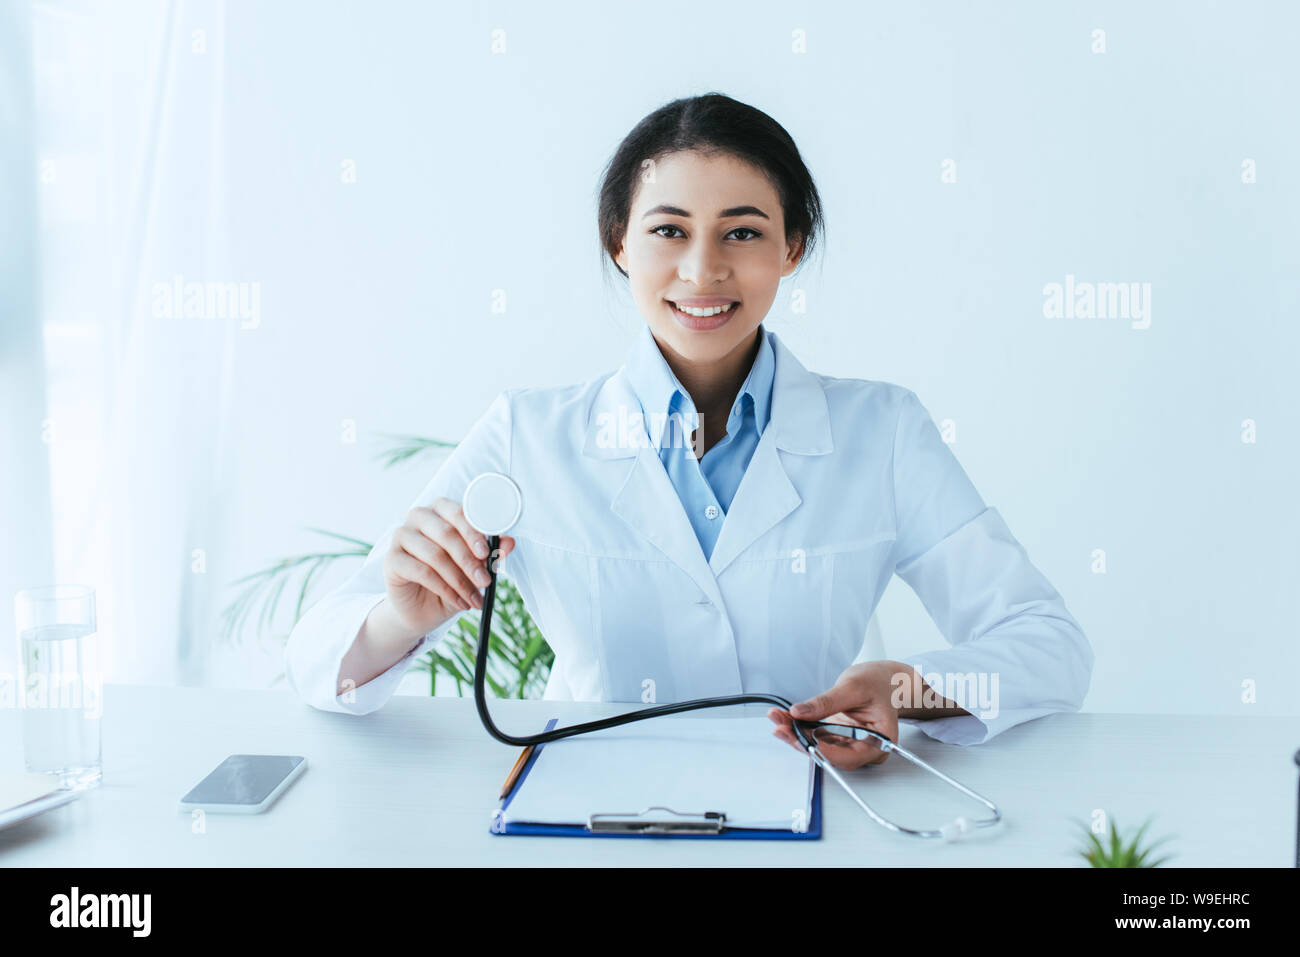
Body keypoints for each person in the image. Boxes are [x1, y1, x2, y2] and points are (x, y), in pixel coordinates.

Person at [284, 92, 1093, 770]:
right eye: (669, 230)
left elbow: (1049, 647)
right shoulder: (526, 435)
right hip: (586, 812)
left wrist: (907, 688)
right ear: (619, 245)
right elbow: (319, 663)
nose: (703, 270)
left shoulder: (884, 431)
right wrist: (404, 617)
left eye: (742, 231)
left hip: (807, 810)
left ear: (792, 247)